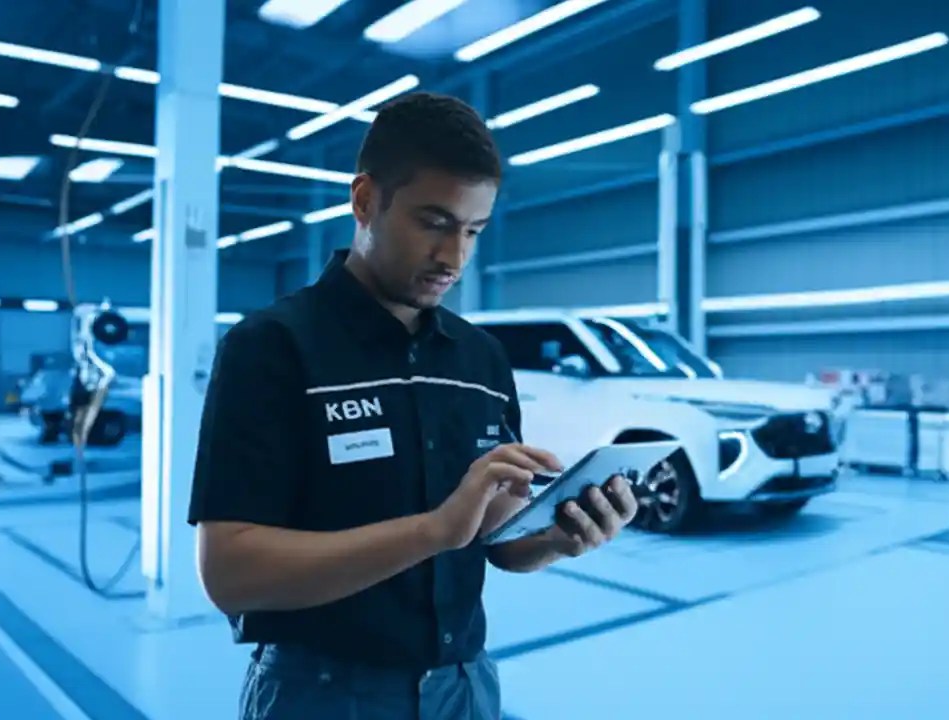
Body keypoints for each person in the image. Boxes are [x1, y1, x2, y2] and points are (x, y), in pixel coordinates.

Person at [187, 91, 639, 720]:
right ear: (366, 200)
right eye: (434, 222)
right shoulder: (272, 348)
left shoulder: (480, 362)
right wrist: (432, 531)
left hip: (465, 686)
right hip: (320, 693)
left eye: (473, 231)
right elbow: (230, 573)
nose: (454, 257)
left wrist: (560, 537)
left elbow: (500, 542)